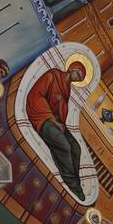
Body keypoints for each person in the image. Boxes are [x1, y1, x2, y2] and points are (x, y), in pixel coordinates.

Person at [25, 57, 87, 200]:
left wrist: (60, 123)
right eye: (78, 74)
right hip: (41, 117)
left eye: (81, 78)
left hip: (55, 121)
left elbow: (61, 110)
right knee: (64, 146)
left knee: (76, 147)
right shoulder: (52, 75)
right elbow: (36, 96)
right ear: (72, 68)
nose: (78, 78)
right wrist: (53, 119)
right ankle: (73, 184)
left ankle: (74, 179)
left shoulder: (67, 89)